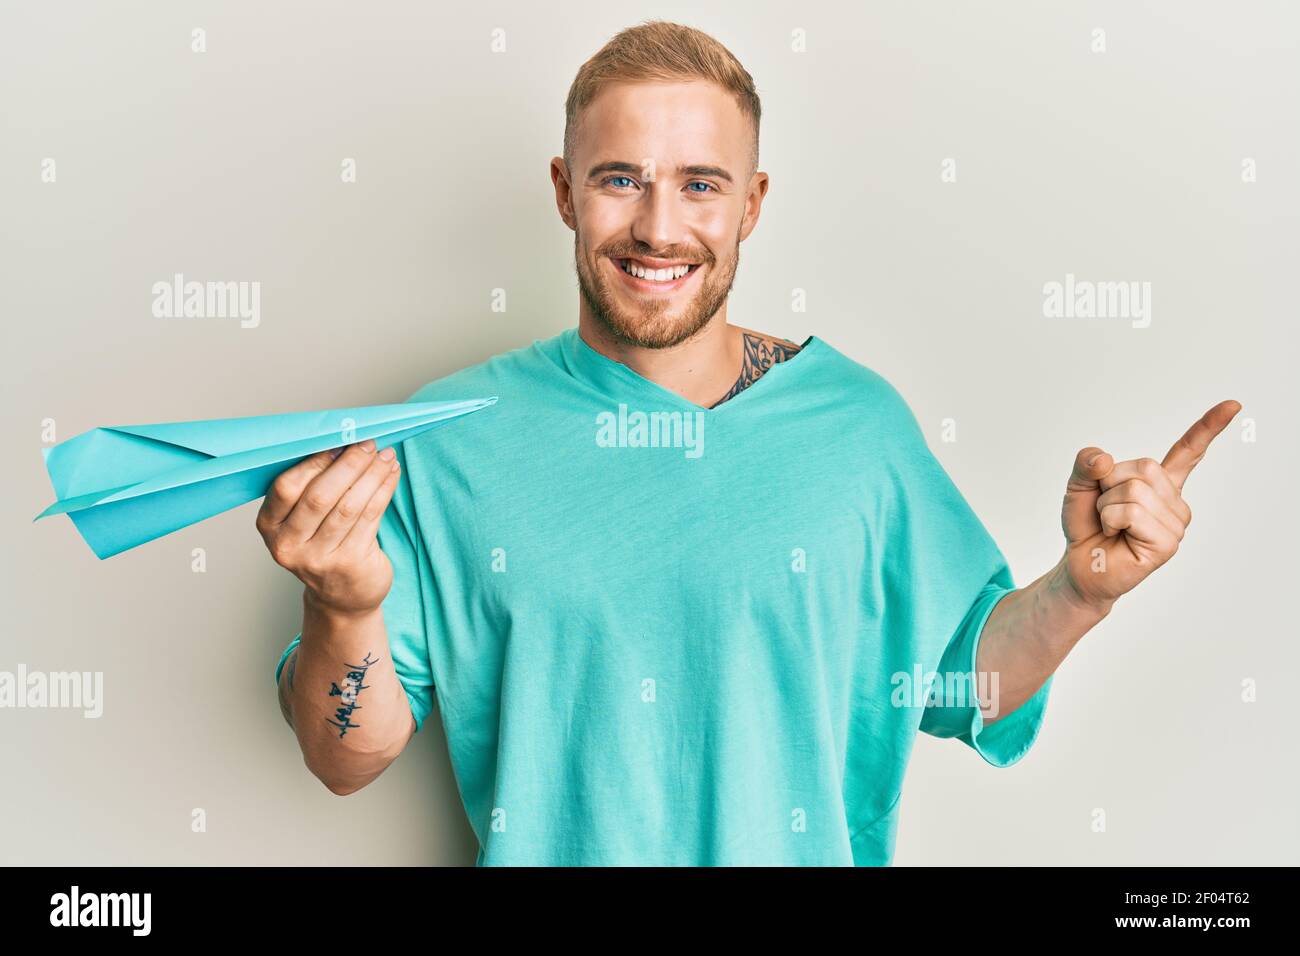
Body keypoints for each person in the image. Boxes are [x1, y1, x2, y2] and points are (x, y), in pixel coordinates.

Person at [259, 20, 1239, 865]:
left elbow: (959, 683)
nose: (657, 227)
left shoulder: (855, 428)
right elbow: (348, 755)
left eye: (699, 185)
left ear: (752, 204)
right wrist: (339, 602)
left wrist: (1077, 594)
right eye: (618, 180)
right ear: (563, 191)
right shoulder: (448, 438)